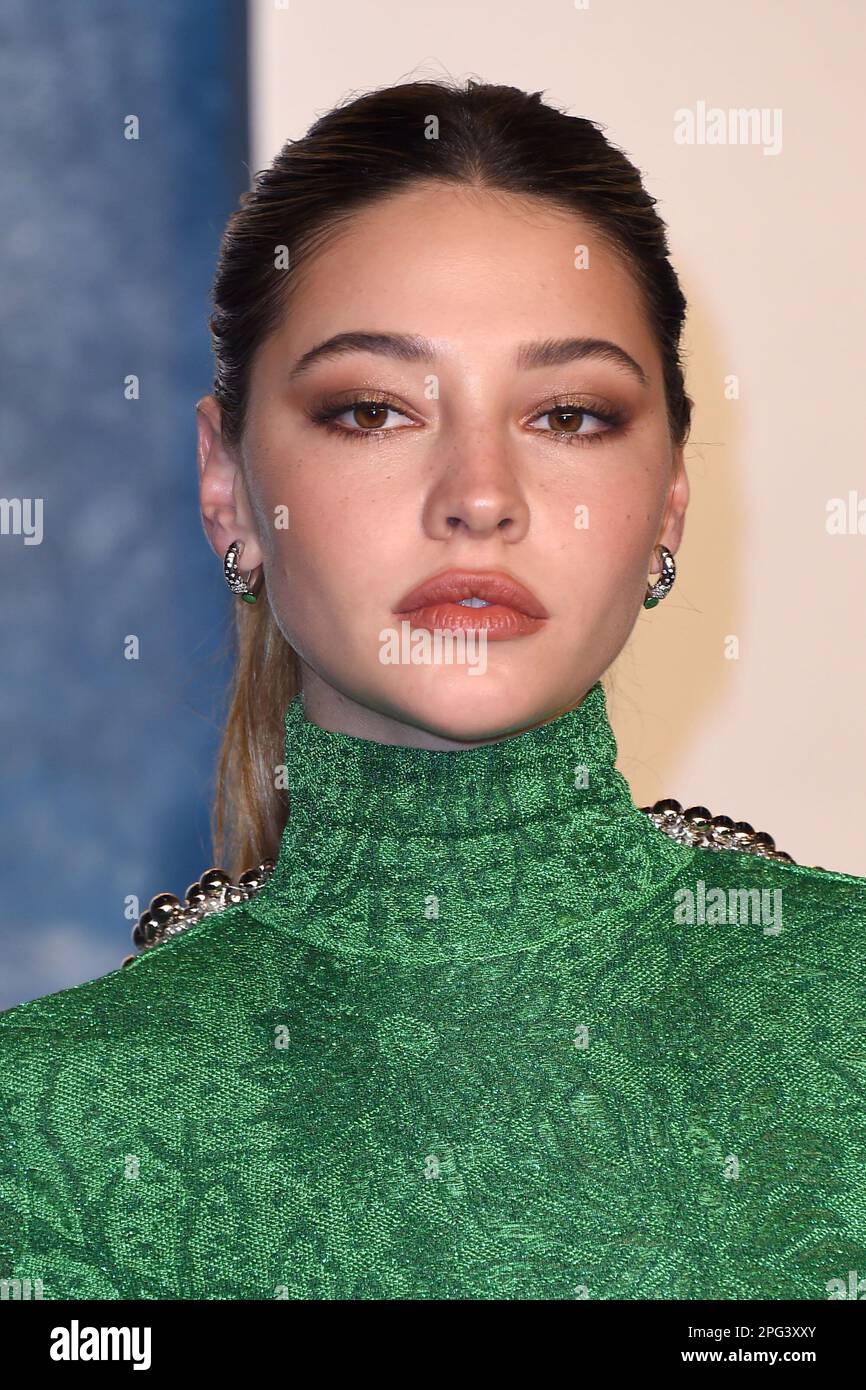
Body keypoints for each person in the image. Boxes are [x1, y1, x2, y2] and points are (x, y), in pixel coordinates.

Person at [1, 79, 863, 1302]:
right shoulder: (44, 1125)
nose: (479, 495)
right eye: (372, 410)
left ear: (668, 496)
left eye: (567, 414)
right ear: (226, 486)